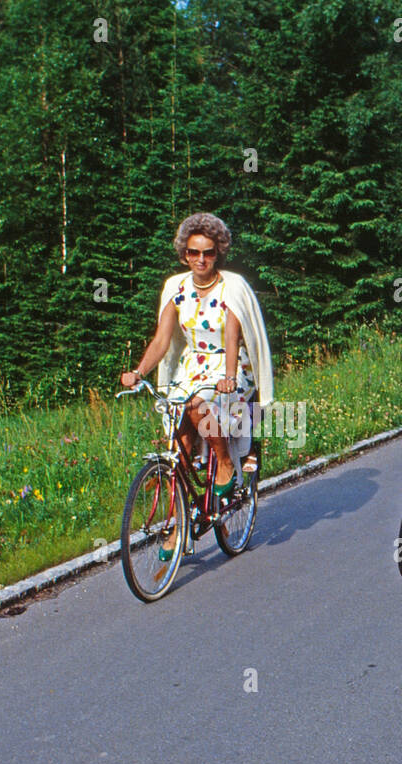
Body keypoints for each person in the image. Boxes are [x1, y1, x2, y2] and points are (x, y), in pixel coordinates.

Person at [121, 213, 274, 558]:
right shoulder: (176, 288)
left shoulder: (231, 287)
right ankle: (180, 526)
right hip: (192, 366)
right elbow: (162, 340)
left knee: (197, 405)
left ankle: (224, 463)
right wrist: (139, 371)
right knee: (180, 444)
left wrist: (229, 376)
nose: (200, 259)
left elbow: (232, 338)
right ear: (184, 254)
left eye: (208, 252)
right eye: (193, 252)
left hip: (227, 365)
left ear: (218, 253)